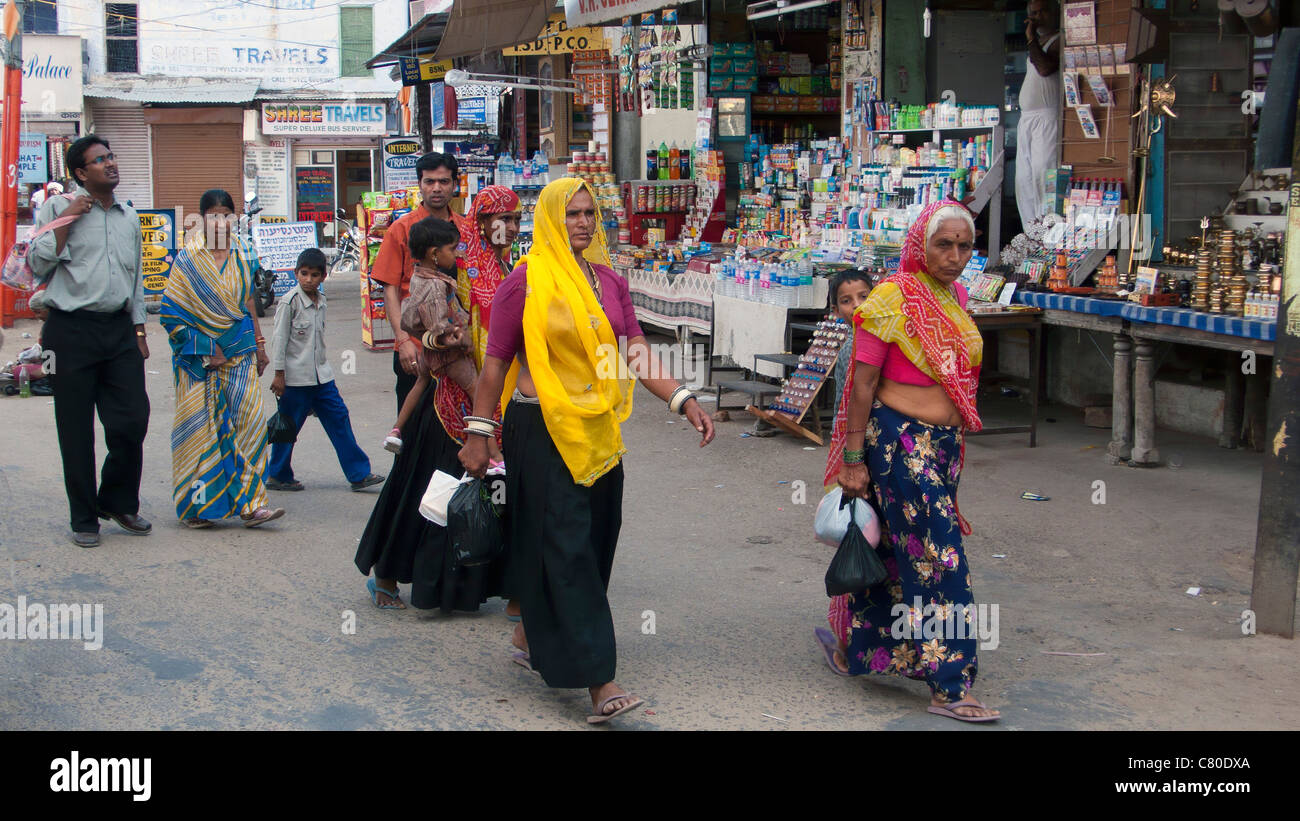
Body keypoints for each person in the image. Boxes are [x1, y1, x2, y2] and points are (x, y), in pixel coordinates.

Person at [459, 178, 716, 724]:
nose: (581, 222)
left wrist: (683, 399)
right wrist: (479, 432)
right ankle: (600, 679)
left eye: (588, 213)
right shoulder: (524, 283)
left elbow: (636, 353)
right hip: (542, 429)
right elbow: (496, 364)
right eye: (571, 213)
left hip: (596, 429)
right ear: (551, 217)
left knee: (596, 538)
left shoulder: (609, 283)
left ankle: (529, 630)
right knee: (568, 544)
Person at [818, 200, 1000, 723]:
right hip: (899, 443)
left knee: (903, 553)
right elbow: (862, 385)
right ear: (921, 244)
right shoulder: (891, 299)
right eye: (944, 244)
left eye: (965, 246)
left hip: (943, 447)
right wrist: (854, 458)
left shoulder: (956, 296)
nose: (956, 256)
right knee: (940, 557)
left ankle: (865, 650)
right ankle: (950, 685)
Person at [354, 219, 511, 614]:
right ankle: (391, 572)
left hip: (461, 383)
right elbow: (438, 329)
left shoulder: (499, 268)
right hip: (448, 394)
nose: (507, 227)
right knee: (426, 486)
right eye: (499, 220)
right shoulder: (445, 280)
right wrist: (451, 337)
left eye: (512, 219)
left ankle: (458, 585)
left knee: (469, 488)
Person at [28, 135, 152, 548]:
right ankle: (84, 518)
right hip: (68, 331)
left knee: (132, 419)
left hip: (117, 330)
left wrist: (138, 329)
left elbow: (135, 281)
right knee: (75, 428)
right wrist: (69, 218)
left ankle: (117, 500)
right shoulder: (56, 207)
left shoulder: (128, 216)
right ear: (81, 173)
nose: (111, 164)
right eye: (100, 160)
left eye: (111, 156)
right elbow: (37, 263)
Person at [160, 189, 284, 529]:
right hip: (197, 360)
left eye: (227, 214)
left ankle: (252, 504)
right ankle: (199, 508)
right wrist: (204, 347)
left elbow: (247, 303)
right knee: (201, 431)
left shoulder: (245, 252)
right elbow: (171, 314)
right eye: (213, 215)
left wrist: (259, 345)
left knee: (251, 425)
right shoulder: (188, 258)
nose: (221, 221)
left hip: (239, 351)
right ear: (201, 219)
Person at [382, 217, 500, 467]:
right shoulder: (437, 285)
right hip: (448, 355)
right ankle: (493, 453)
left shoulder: (418, 276)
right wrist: (460, 339)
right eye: (452, 248)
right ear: (435, 254)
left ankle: (396, 430)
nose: (456, 253)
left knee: (420, 384)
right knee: (479, 394)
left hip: (427, 352)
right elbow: (439, 327)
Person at [266, 248, 384, 492]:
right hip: (295, 380)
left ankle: (359, 474)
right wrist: (279, 376)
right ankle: (278, 474)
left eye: (315, 275)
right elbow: (279, 341)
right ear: (296, 273)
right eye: (304, 274)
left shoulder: (322, 301)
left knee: (339, 418)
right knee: (288, 428)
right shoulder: (289, 302)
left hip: (322, 378)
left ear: (323, 276)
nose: (309, 279)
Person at [368, 152, 468, 413]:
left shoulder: (465, 229)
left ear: (455, 185)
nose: (436, 188)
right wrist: (402, 342)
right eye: (429, 181)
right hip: (415, 346)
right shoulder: (401, 229)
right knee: (414, 424)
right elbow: (389, 288)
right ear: (420, 185)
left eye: (444, 182)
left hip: (457, 345)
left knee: (458, 421)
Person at [1015, 0, 1062, 229]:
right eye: (1033, 13)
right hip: (1028, 121)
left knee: (1044, 176)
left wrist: (1031, 38)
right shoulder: (1038, 43)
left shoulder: (1058, 40)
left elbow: (1044, 68)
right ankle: (1031, 235)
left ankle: (1048, 233)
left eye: (1042, 12)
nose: (1037, 17)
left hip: (1047, 119)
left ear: (1054, 13)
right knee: (1024, 181)